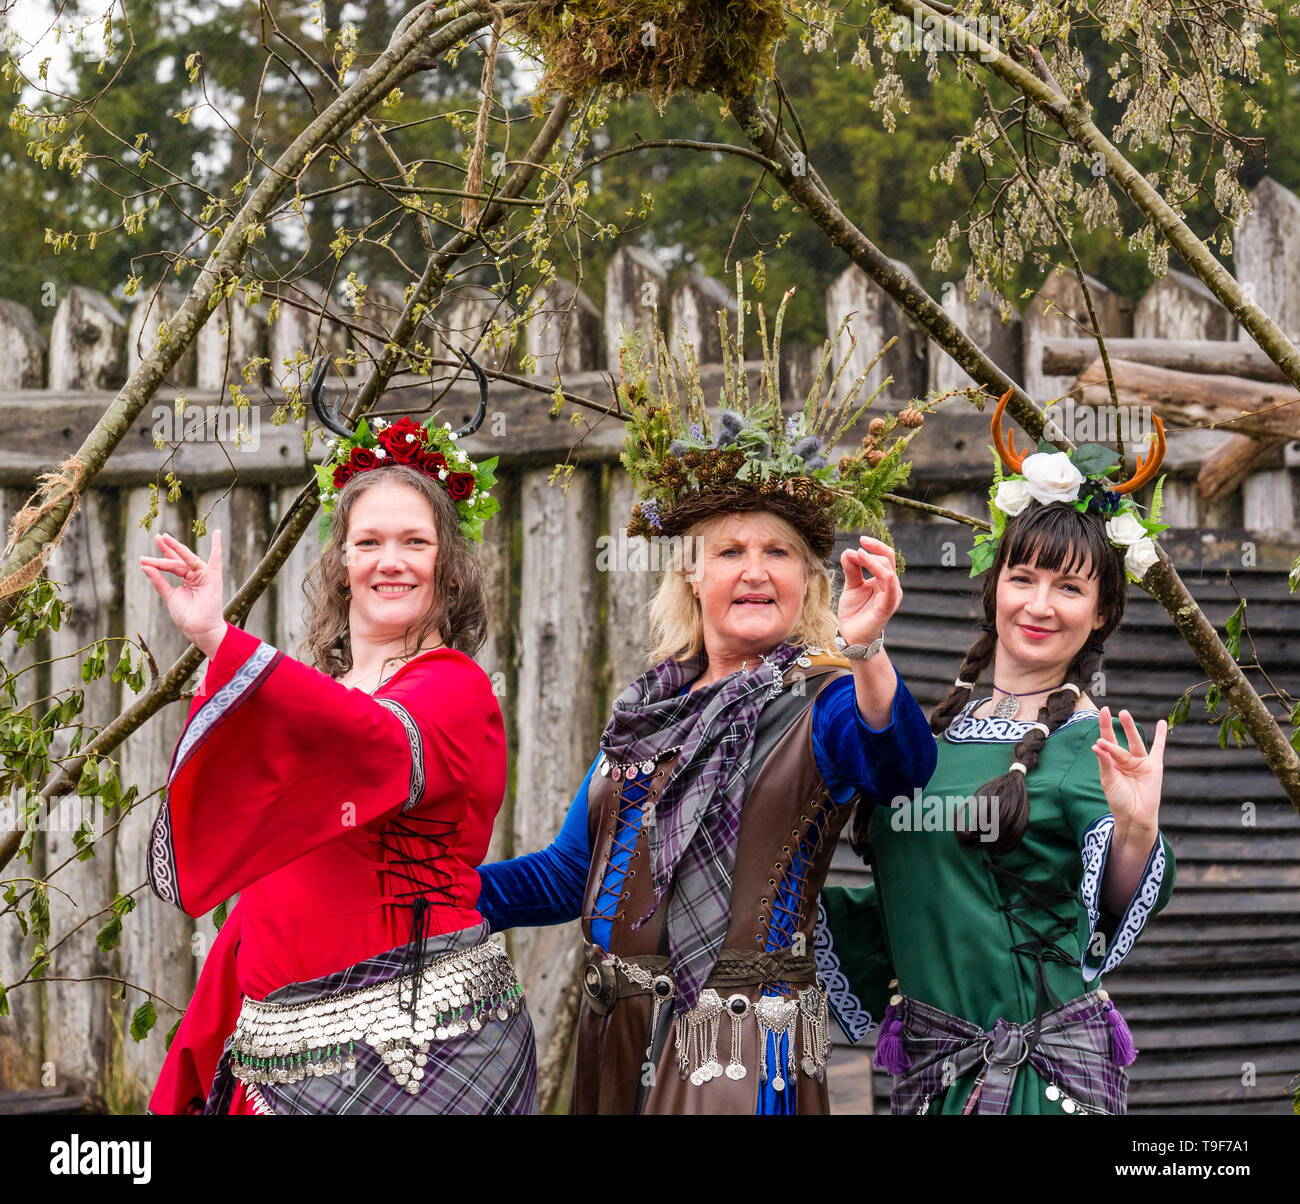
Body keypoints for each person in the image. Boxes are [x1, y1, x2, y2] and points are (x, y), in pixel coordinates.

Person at [476, 303, 939, 1113]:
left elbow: (901, 764)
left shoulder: (823, 700)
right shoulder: (647, 710)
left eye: (779, 553)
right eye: (730, 551)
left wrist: (866, 649)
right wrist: (430, 895)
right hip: (615, 1037)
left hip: (735, 1051)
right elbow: (570, 874)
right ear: (692, 573)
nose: (754, 571)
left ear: (808, 580)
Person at [142, 360, 536, 1115]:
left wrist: (223, 644)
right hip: (277, 1058)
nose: (391, 561)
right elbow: (259, 905)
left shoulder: (451, 687)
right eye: (369, 542)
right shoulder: (311, 702)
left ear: (449, 571)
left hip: (426, 1054)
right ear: (343, 563)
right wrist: (194, 1068)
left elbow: (363, 742)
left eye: (415, 543)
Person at [819, 391, 1176, 1115]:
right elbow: (917, 892)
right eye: (1023, 578)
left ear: (1102, 611)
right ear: (994, 588)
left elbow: (1106, 907)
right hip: (930, 1084)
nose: (1039, 605)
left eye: (1069, 587)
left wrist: (1136, 831)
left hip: (1030, 1090)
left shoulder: (1088, 747)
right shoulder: (938, 736)